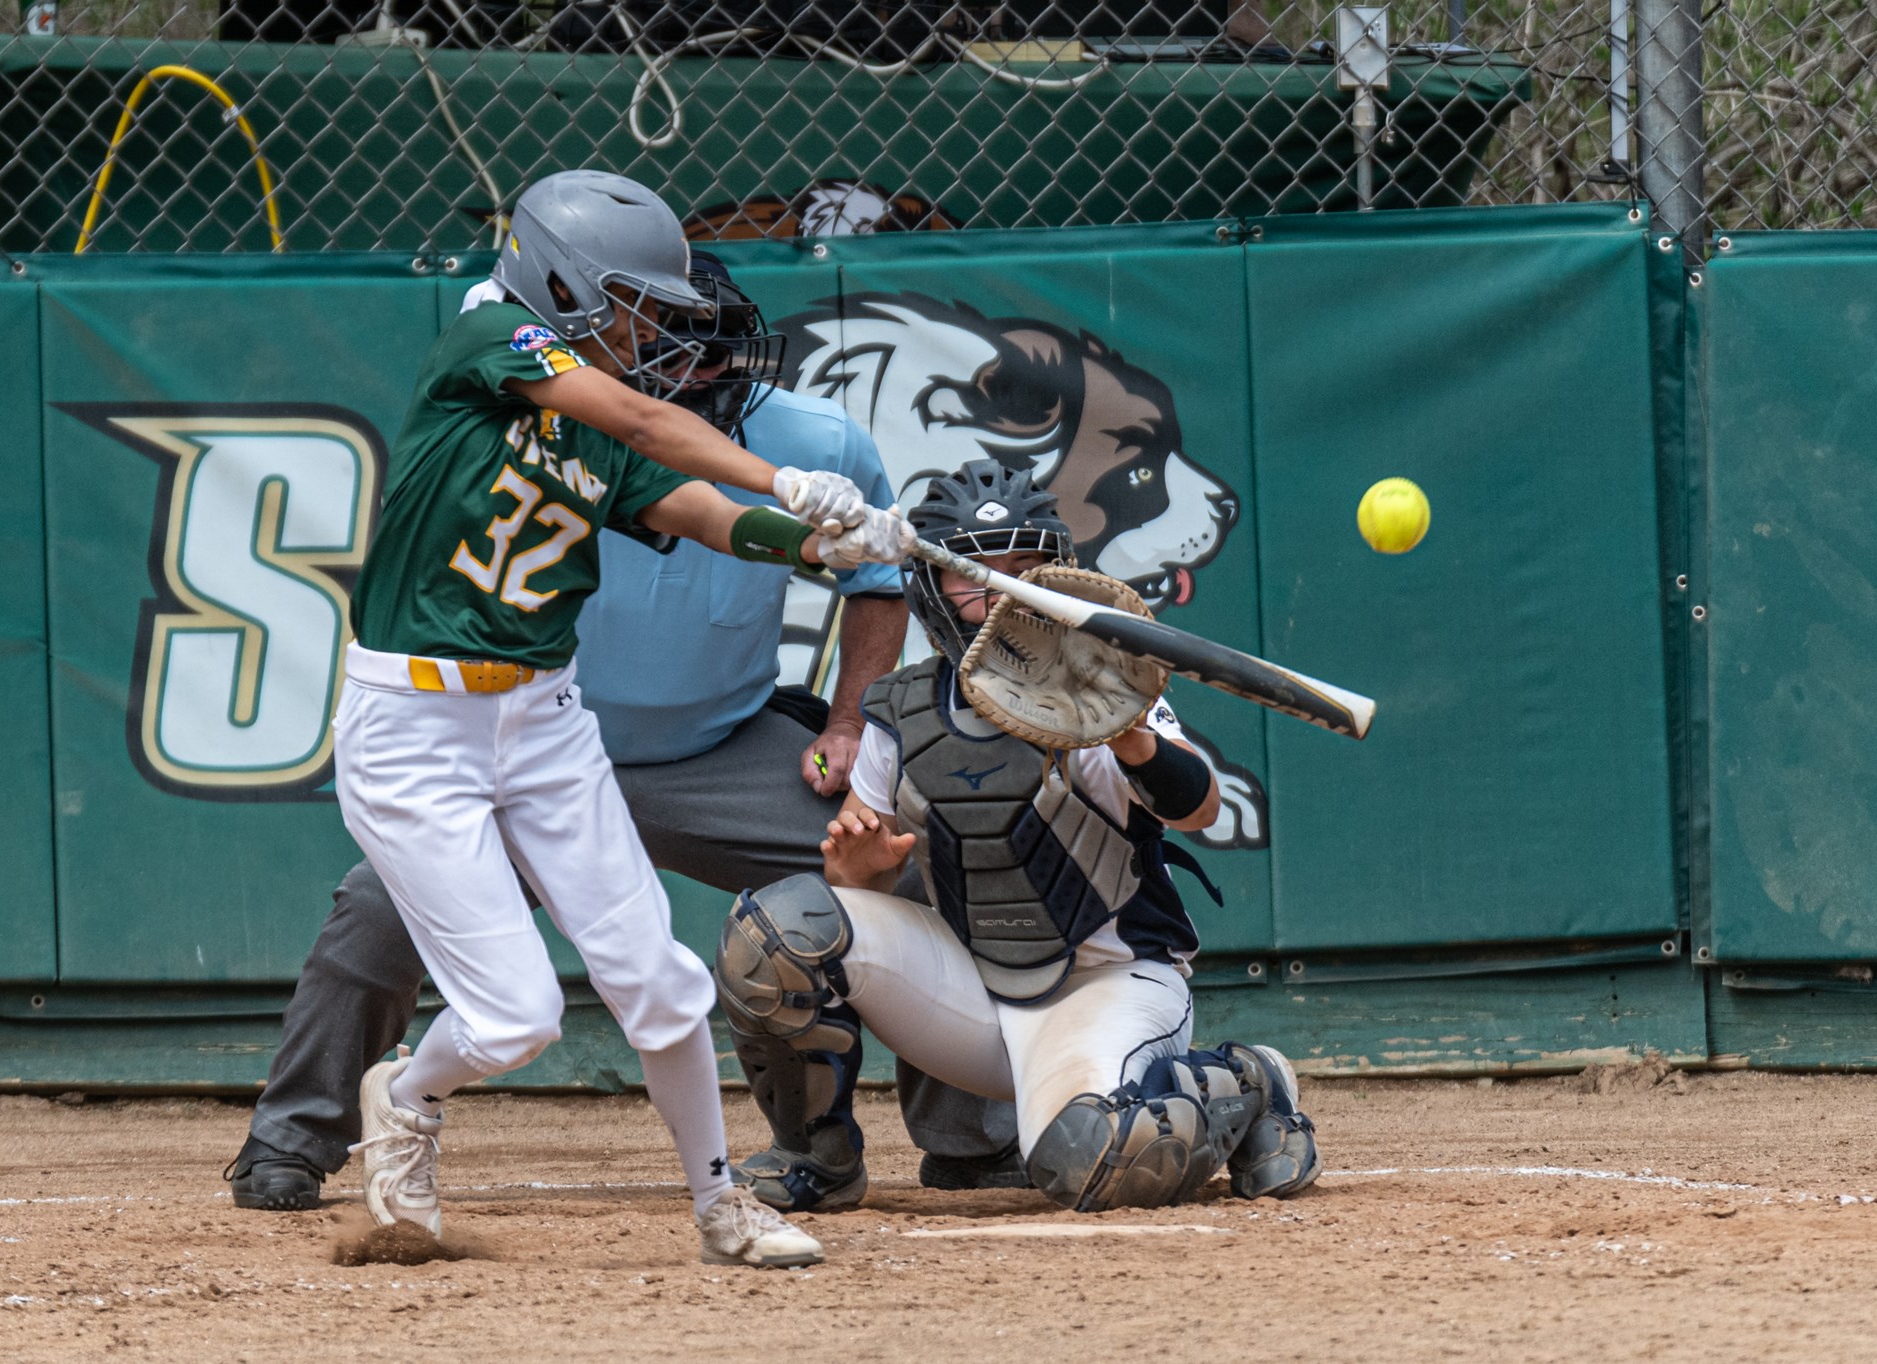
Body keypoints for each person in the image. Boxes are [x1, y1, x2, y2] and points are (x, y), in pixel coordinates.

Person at [223, 249, 1024, 1219]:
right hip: (535, 749)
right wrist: (790, 510)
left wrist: (849, 712)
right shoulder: (542, 433)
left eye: (713, 355)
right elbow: (674, 476)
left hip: (717, 747)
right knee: (377, 907)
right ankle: (290, 1137)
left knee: (908, 852)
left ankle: (969, 1138)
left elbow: (867, 585)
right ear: (613, 348)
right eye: (665, 348)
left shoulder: (820, 438)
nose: (696, 370)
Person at [317, 168, 917, 1269]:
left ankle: (718, 1204)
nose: (648, 328)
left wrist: (822, 544)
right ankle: (404, 1095)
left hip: (542, 718)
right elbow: (649, 420)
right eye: (629, 303)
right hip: (415, 723)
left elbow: (691, 507)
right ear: (558, 281)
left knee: (657, 980)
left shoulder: (593, 412)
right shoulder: (490, 339)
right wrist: (790, 480)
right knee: (515, 1018)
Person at [715, 460, 1322, 1214]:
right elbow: (863, 896)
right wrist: (859, 872)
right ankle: (818, 1160)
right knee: (777, 929)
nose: (1000, 590)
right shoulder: (898, 713)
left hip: (1111, 981)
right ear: (934, 586)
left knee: (1097, 1162)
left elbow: (1196, 810)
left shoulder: (1102, 686)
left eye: (1024, 566)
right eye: (975, 570)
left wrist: (1130, 734)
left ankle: (1250, 1083)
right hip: (967, 994)